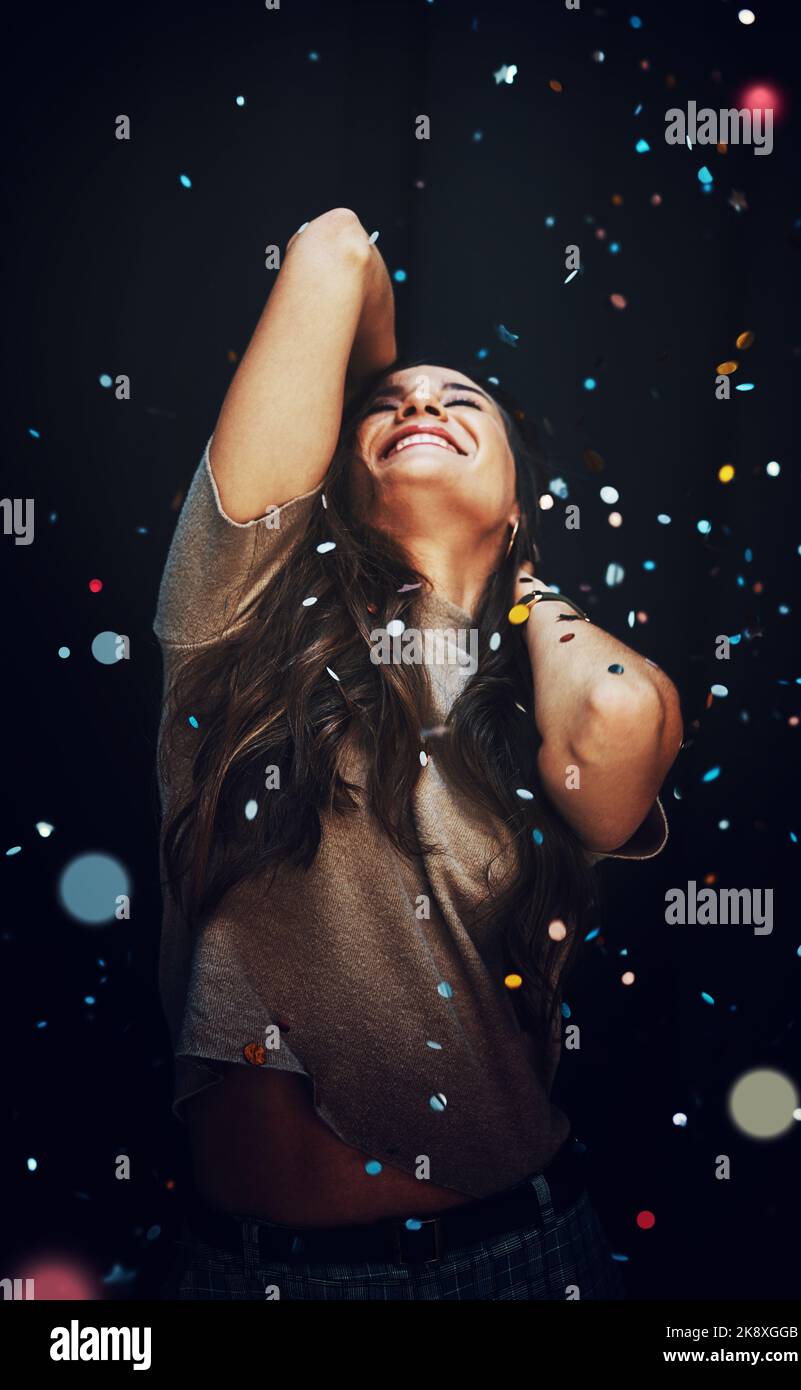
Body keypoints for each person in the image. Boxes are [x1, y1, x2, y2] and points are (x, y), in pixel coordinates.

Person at [153, 207, 682, 1301]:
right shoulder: (242, 605)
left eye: (460, 403)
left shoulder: (542, 692)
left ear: (523, 500)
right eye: (389, 408)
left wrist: (518, 580)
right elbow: (335, 246)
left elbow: (624, 722)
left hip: (515, 1260)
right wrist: (378, 400)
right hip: (244, 1274)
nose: (422, 405)